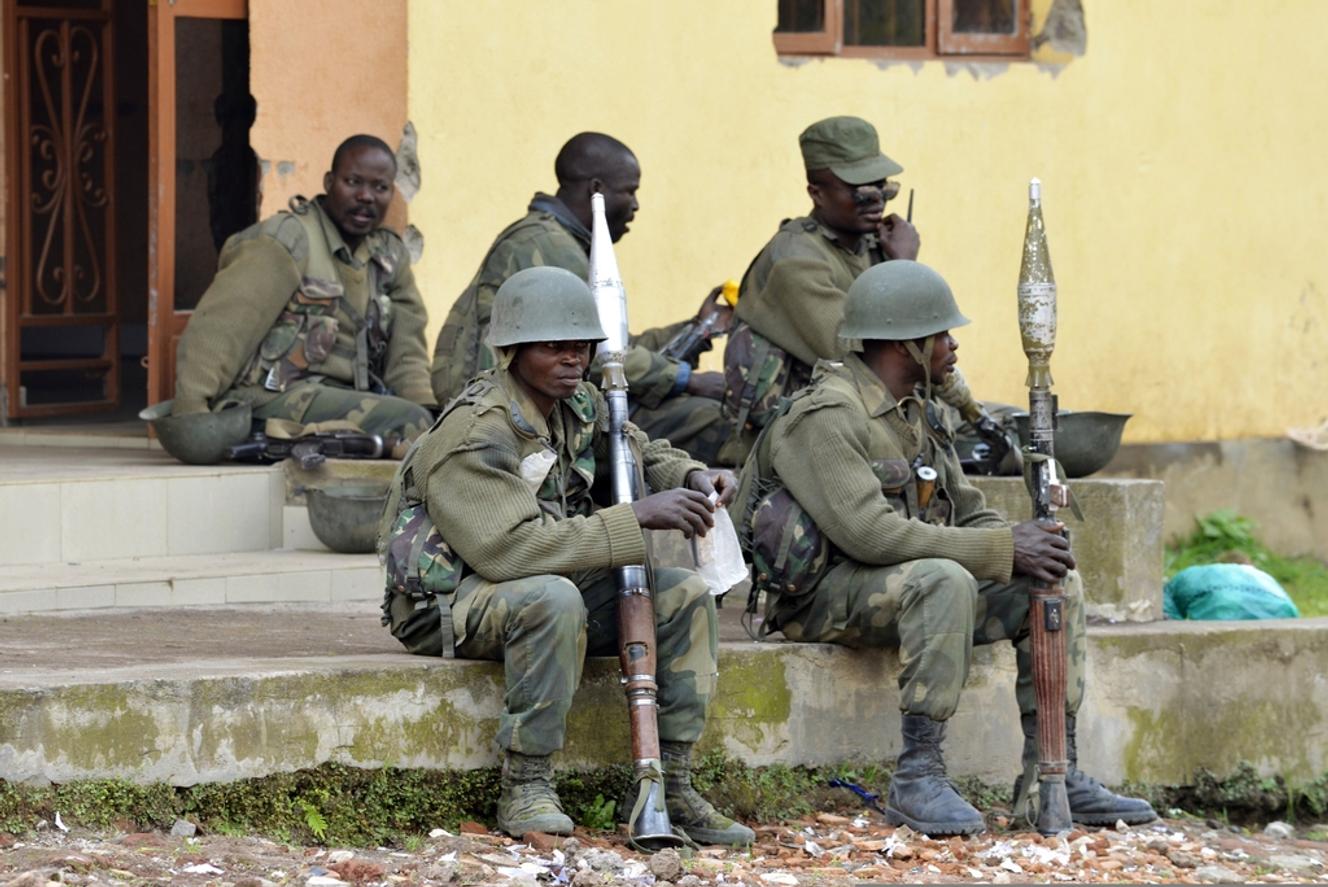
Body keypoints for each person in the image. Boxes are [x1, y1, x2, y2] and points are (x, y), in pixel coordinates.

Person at [736, 260, 1155, 835]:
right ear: (906, 345)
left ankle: (1053, 775)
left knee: (1052, 581)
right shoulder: (828, 415)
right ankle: (918, 777)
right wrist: (1001, 549)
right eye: (942, 335)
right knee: (944, 577)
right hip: (821, 597)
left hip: (901, 586)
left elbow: (968, 507)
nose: (953, 346)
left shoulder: (919, 412)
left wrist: (1031, 547)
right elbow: (870, 533)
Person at [382, 266, 754, 845]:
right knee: (553, 598)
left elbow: (632, 448)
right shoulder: (477, 433)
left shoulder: (572, 402)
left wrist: (691, 474)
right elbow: (509, 551)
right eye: (554, 346)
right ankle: (526, 783)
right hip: (449, 600)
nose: (572, 358)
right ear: (511, 350)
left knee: (682, 594)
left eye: (581, 344)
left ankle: (672, 784)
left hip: (531, 583)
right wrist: (633, 519)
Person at [430, 132, 731, 464]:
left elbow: (612, 345)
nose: (635, 205)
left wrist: (698, 329)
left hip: (545, 406)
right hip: (512, 417)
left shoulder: (562, 244)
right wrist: (687, 380)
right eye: (630, 191)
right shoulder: (548, 246)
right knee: (718, 420)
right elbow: (604, 359)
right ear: (597, 189)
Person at [174, 134, 435, 448]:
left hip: (343, 399)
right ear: (328, 182)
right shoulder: (286, 240)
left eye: (380, 188)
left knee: (433, 424)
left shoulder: (390, 256)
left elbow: (408, 354)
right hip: (267, 398)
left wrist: (431, 411)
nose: (366, 196)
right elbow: (220, 330)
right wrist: (192, 416)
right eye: (353, 182)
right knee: (409, 423)